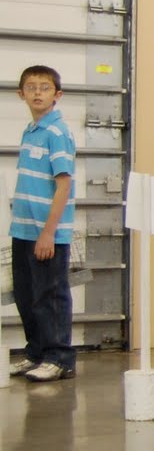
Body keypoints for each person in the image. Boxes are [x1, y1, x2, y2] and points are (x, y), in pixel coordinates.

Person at [9, 66, 76, 382]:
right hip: (23, 231)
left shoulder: (57, 133)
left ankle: (59, 357)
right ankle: (35, 352)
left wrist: (48, 233)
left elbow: (63, 186)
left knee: (50, 295)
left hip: (47, 234)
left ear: (57, 95)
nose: (37, 92)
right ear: (21, 94)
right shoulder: (30, 130)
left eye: (45, 87)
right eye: (31, 87)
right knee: (26, 295)